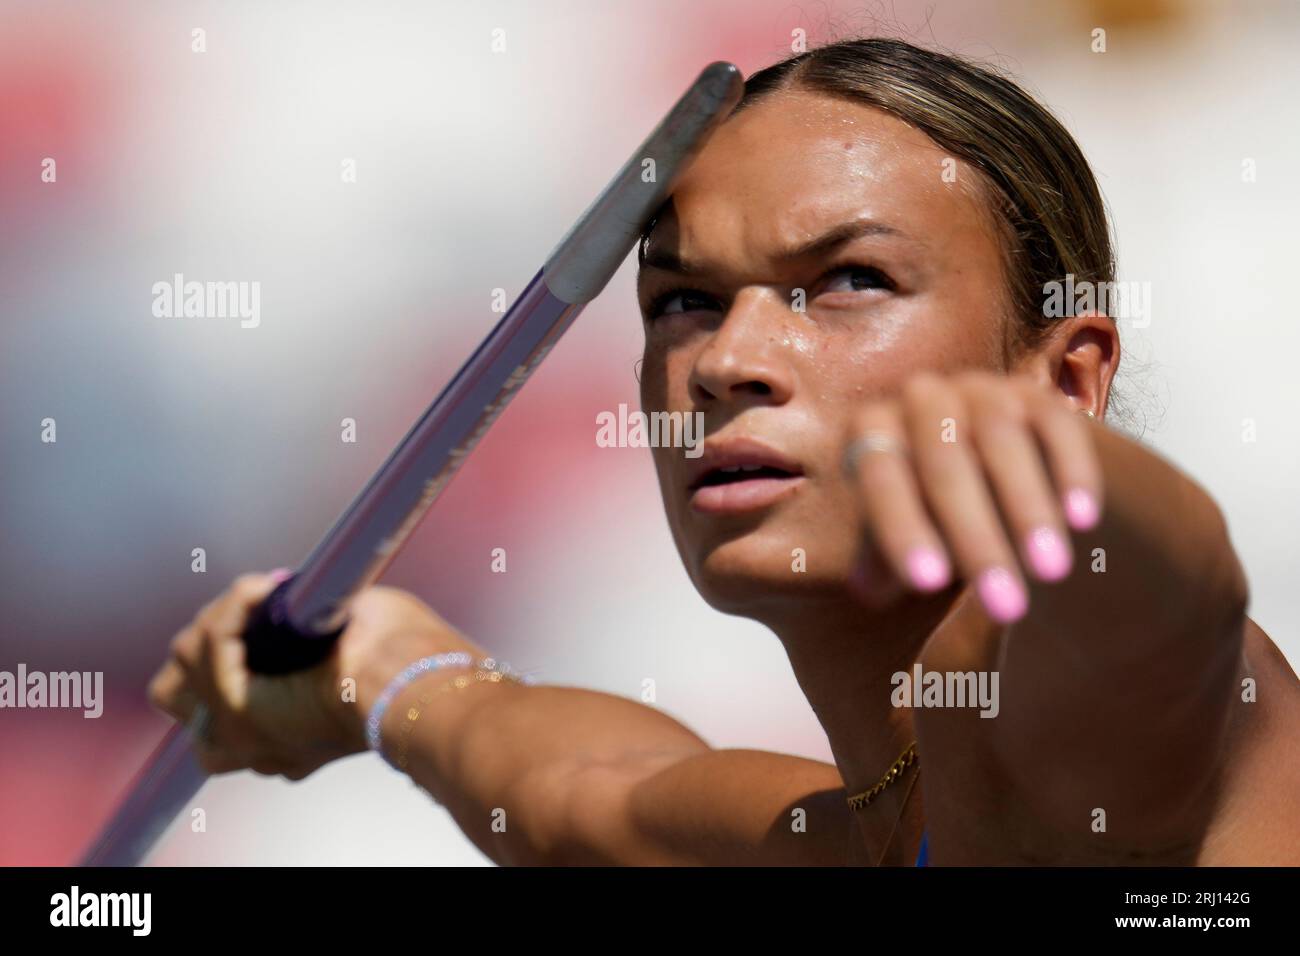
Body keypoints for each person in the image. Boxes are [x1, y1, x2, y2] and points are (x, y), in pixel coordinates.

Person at [147, 37, 1300, 866]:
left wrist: (1080, 489)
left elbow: (1176, 606)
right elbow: (576, 792)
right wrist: (373, 671)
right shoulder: (841, 838)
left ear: (1064, 377)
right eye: (683, 299)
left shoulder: (1107, 705)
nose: (726, 359)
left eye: (850, 281)